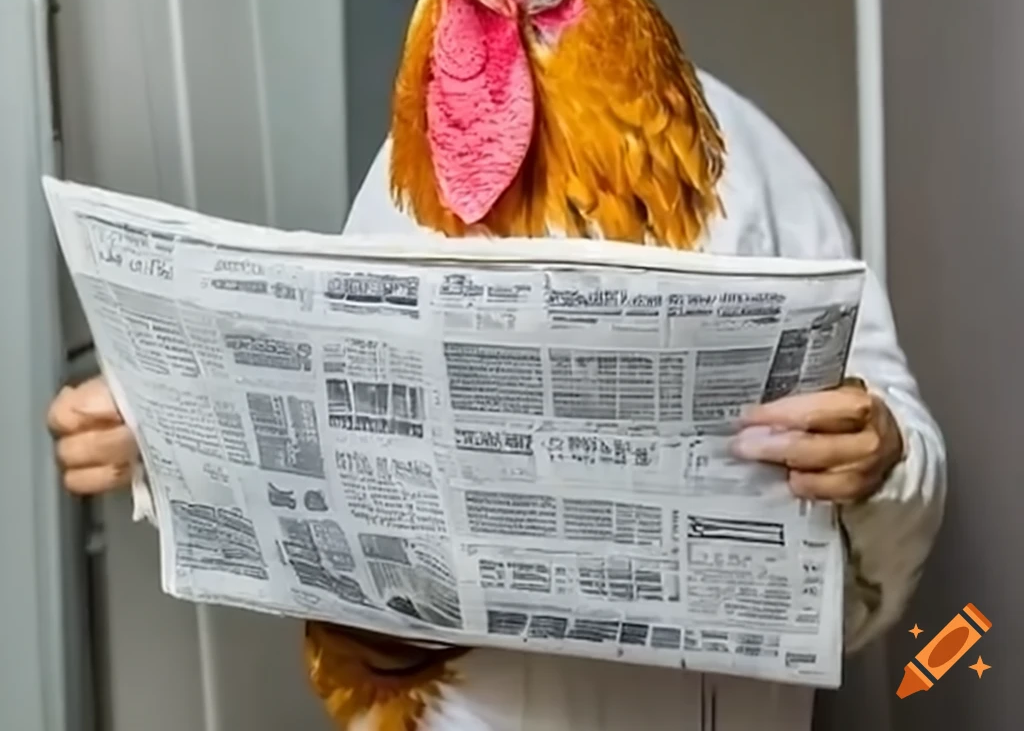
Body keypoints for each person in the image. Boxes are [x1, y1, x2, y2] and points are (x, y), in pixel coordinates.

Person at [49, 72, 946, 731]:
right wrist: (160, 423)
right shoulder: (414, 177)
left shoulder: (750, 166)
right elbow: (333, 443)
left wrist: (880, 454)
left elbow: (901, 439)